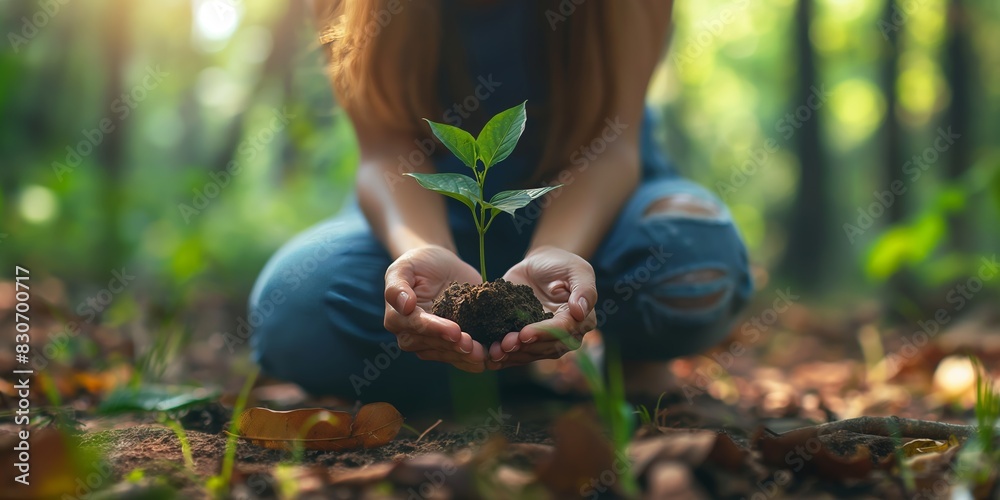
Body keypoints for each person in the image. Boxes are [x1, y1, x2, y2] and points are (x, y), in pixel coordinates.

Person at [249, 0, 753, 411]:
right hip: (423, 218)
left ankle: (621, 355)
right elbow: (385, 155)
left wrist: (555, 253)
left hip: (604, 213)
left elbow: (611, 146)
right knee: (296, 310)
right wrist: (425, 257)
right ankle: (488, 363)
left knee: (693, 265)